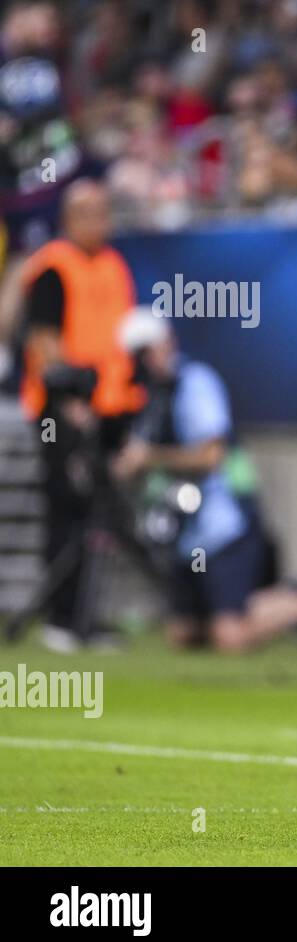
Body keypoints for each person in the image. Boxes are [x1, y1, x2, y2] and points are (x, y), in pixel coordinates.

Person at [112, 307, 297, 653]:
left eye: (147, 351)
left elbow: (211, 455)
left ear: (166, 343)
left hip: (223, 525)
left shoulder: (195, 384)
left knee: (230, 635)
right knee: (184, 635)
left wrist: (149, 457)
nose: (144, 362)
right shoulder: (147, 396)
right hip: (185, 532)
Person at [17, 179, 143, 650]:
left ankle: (91, 615)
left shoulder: (113, 265)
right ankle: (62, 616)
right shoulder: (53, 265)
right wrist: (68, 399)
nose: (101, 222)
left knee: (103, 514)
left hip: (110, 407)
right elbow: (44, 340)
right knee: (68, 509)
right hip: (63, 411)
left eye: (105, 212)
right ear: (69, 218)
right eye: (90, 213)